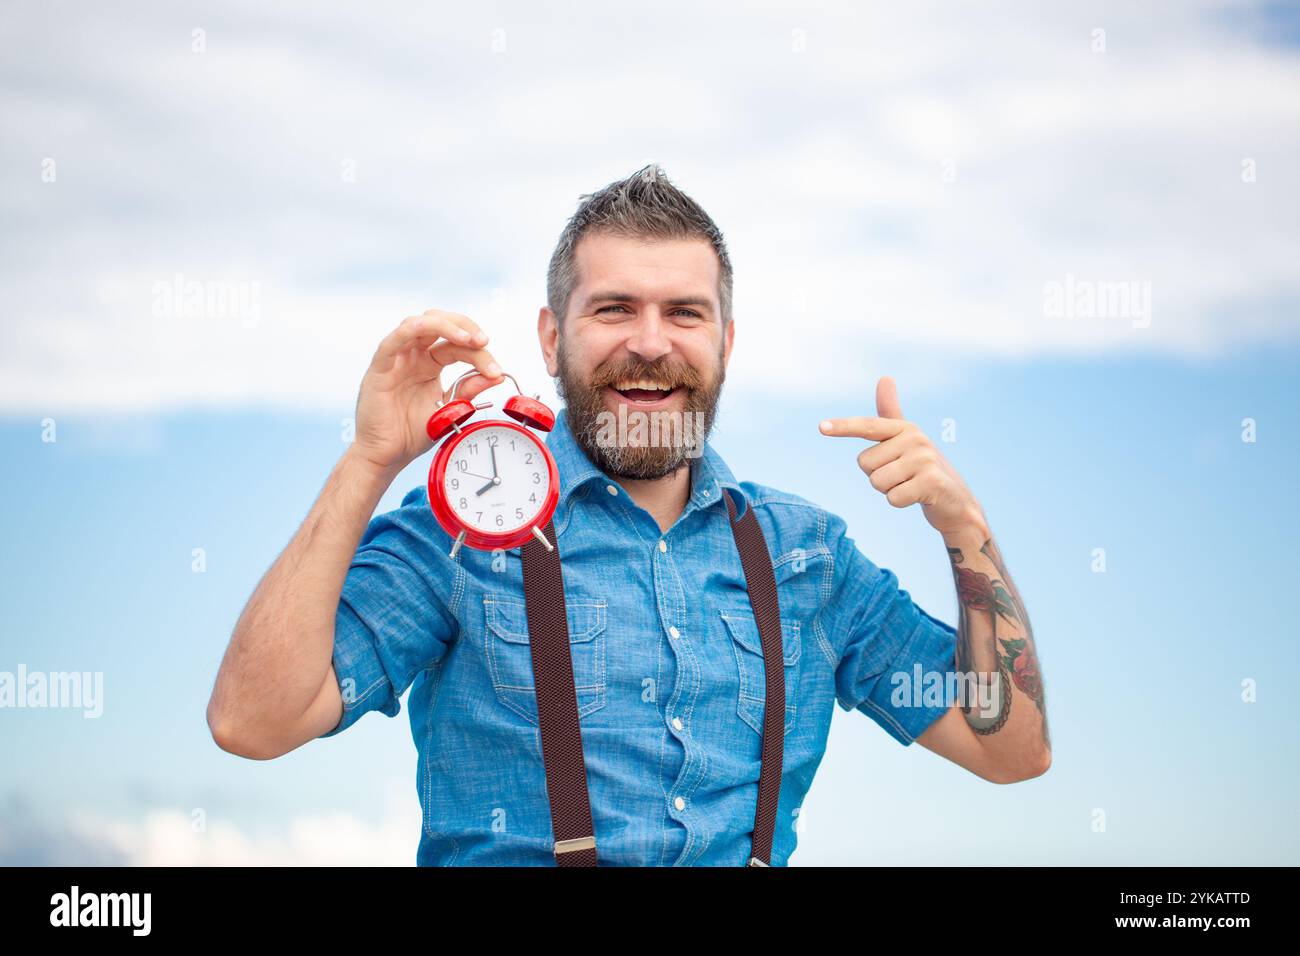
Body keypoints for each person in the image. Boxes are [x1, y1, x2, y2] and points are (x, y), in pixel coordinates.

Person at [206, 164, 1051, 866]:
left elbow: (1009, 750)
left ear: (725, 343)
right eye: (614, 309)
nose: (650, 342)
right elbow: (253, 722)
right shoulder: (460, 531)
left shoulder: (809, 557)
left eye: (685, 313)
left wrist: (965, 532)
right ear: (551, 338)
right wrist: (368, 460)